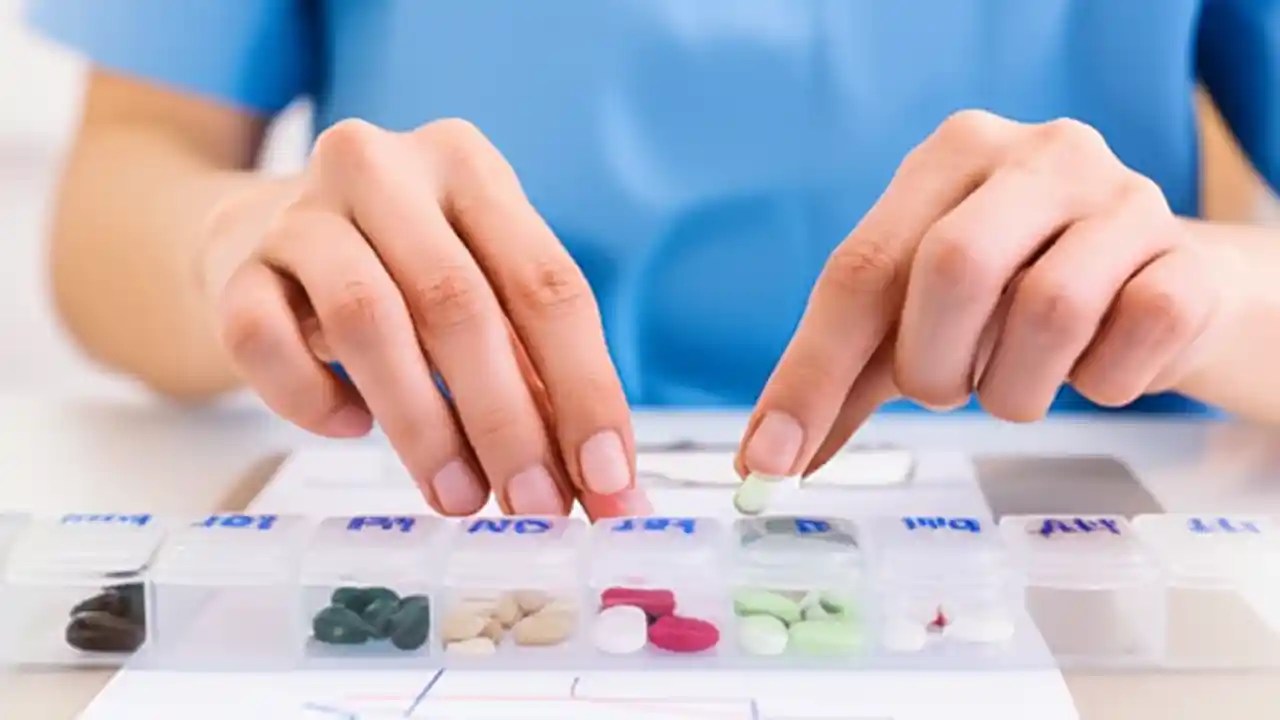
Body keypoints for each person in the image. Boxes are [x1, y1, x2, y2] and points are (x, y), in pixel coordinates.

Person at [25, 2, 1280, 520]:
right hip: (434, 497)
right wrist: (229, 245)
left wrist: (1210, 293)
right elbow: (119, 196)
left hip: (1094, 518)